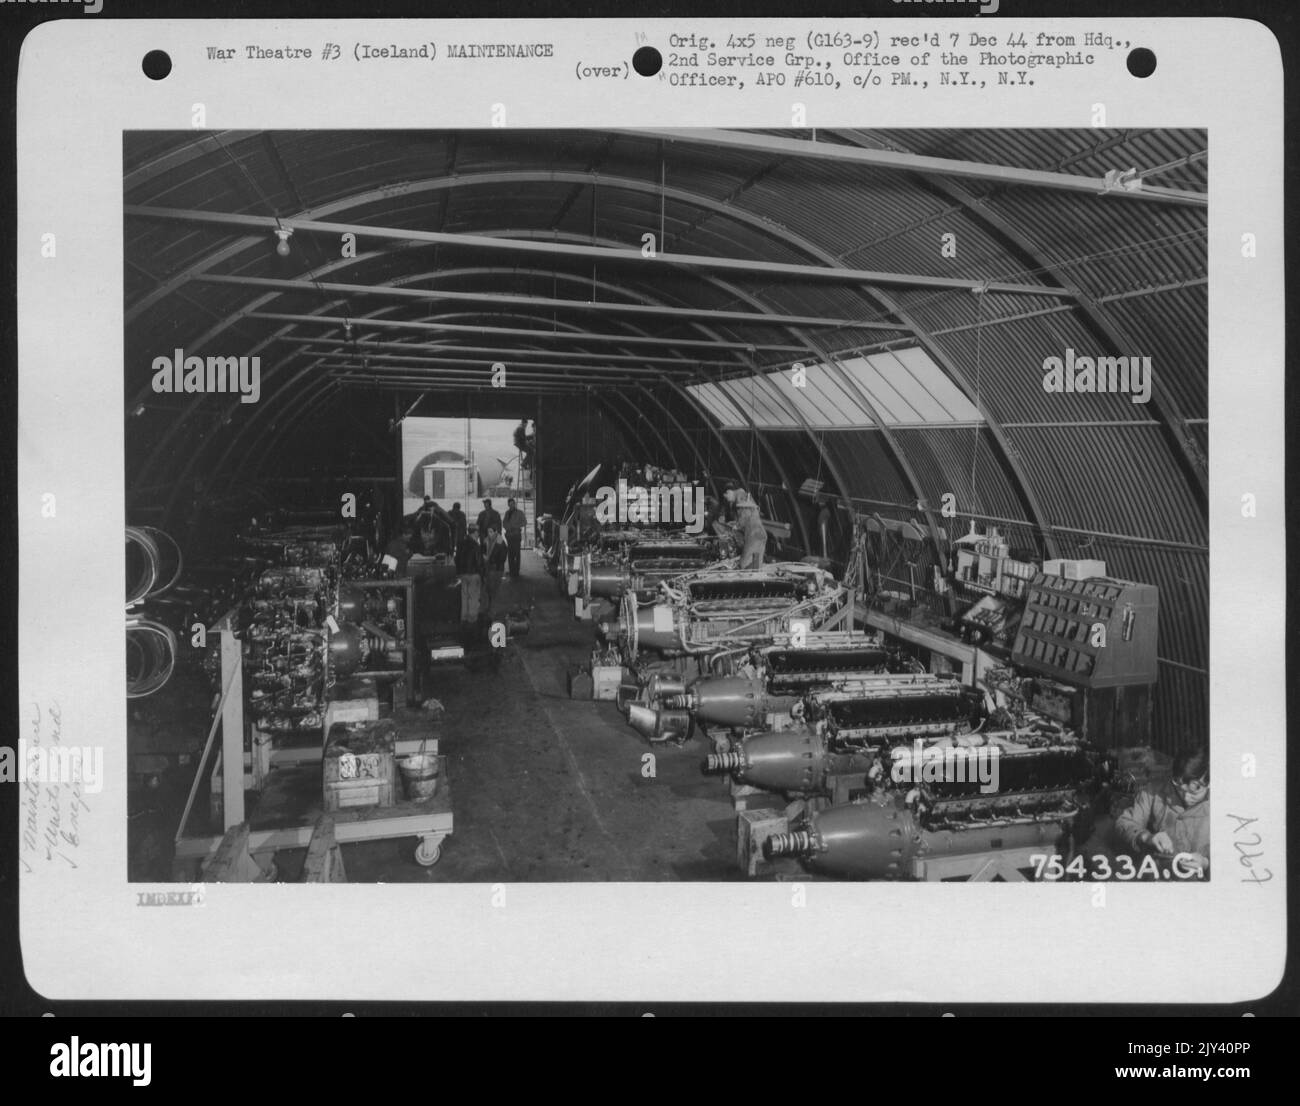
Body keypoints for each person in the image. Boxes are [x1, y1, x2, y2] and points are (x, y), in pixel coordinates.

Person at [1115, 742, 1210, 876]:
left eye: (1195, 790)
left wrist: (1206, 863)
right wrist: (1147, 837)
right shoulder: (1153, 792)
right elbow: (1124, 822)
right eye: (1180, 788)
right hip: (1159, 878)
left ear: (1210, 783)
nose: (1187, 797)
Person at [725, 485, 768, 570]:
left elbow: (742, 519)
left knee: (744, 564)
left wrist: (736, 526)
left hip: (755, 536)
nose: (726, 498)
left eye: (726, 495)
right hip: (759, 534)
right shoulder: (745, 505)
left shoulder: (741, 499)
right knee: (755, 564)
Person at [454, 531, 485, 622]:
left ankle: (463, 617)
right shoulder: (476, 546)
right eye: (477, 534)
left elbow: (457, 559)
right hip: (473, 575)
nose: (478, 536)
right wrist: (482, 575)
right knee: (473, 598)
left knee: (464, 597)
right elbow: (479, 562)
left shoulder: (461, 544)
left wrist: (459, 572)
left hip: (463, 575)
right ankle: (472, 619)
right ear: (474, 533)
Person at [481, 525, 508, 613]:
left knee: (494, 589)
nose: (489, 534)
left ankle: (493, 610)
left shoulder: (500, 541)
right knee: (488, 588)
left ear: (496, 532)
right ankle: (490, 607)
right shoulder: (486, 540)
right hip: (488, 567)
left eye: (491, 532)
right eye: (488, 532)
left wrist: (494, 562)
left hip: (496, 568)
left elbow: (503, 557)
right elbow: (482, 551)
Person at [502, 497, 527, 579]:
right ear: (508, 505)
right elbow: (504, 523)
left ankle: (516, 571)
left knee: (517, 554)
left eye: (513, 503)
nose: (511, 505)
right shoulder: (507, 513)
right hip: (509, 536)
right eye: (510, 504)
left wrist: (515, 526)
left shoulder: (520, 513)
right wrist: (508, 528)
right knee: (510, 554)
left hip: (516, 536)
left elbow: (524, 522)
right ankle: (512, 571)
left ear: (515, 504)